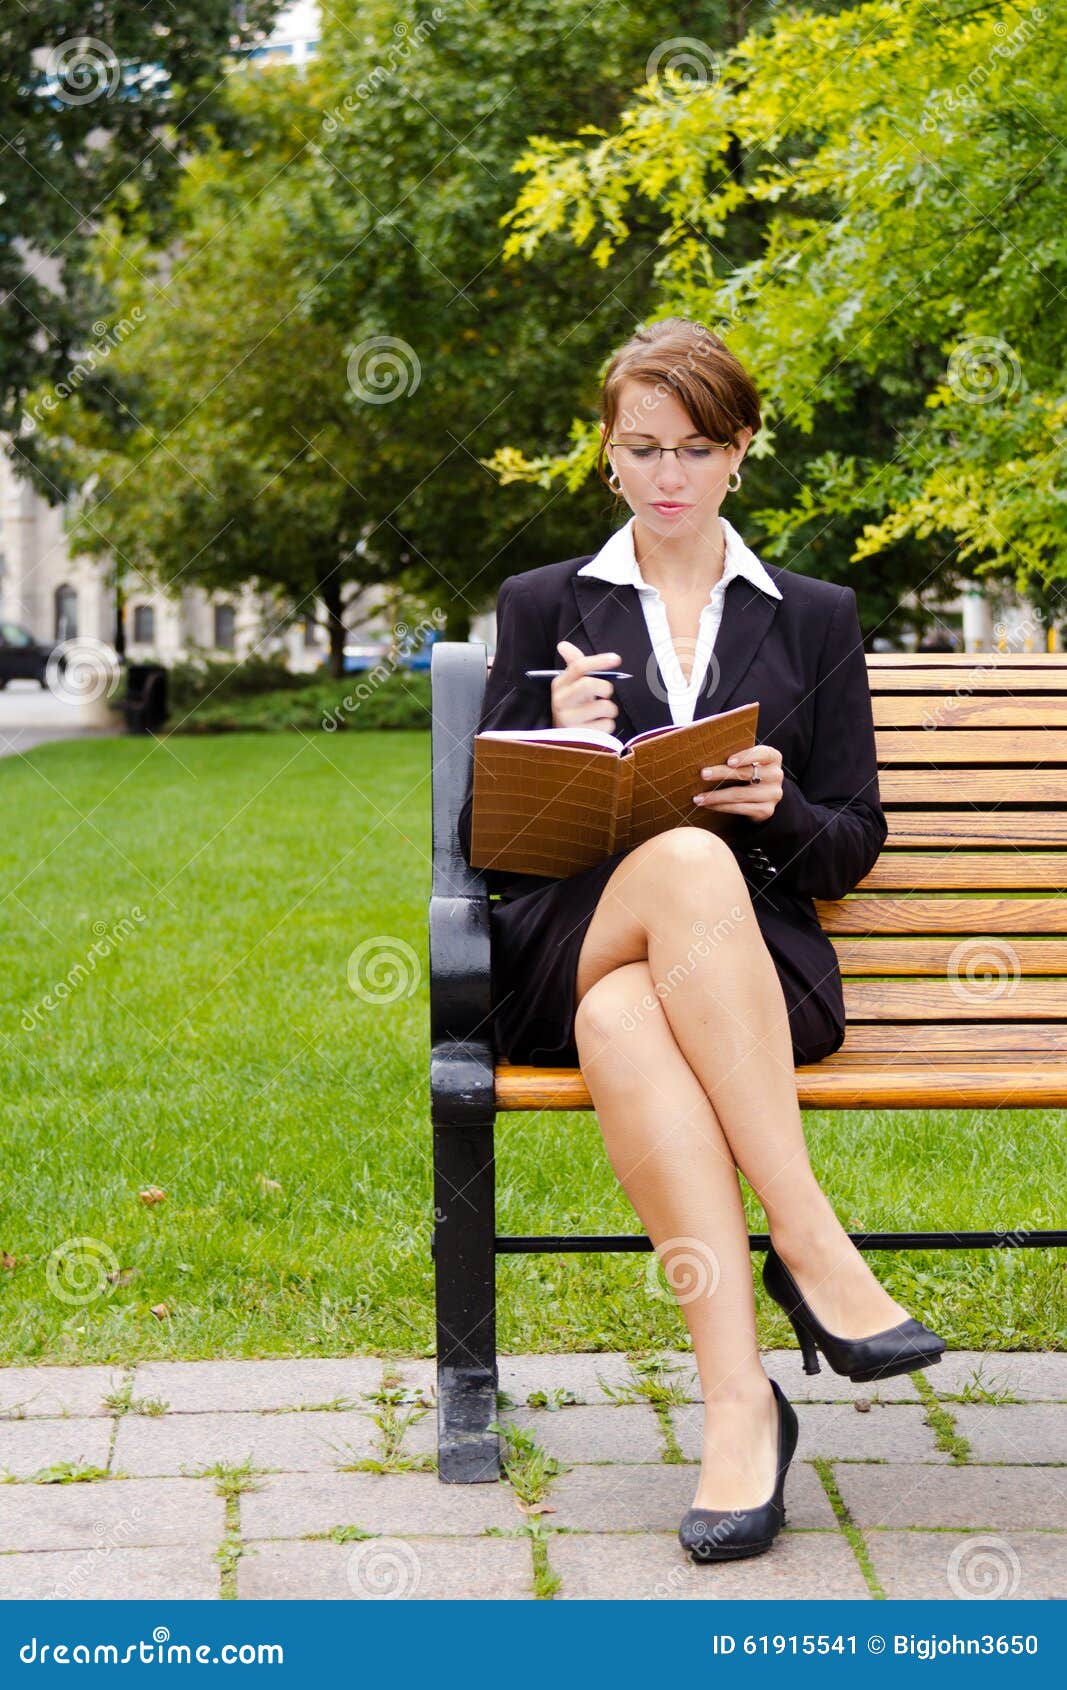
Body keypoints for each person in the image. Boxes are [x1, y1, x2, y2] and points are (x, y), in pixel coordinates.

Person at [457, 317, 945, 1563]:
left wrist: (777, 806)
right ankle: (813, 1244)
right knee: (669, 862)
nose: (666, 476)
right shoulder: (542, 605)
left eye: (694, 449)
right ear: (607, 456)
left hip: (743, 972)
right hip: (571, 934)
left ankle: (737, 1408)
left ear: (739, 454)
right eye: (641, 448)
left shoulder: (813, 617)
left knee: (627, 1014)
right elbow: (491, 848)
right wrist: (556, 739)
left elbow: (850, 844)